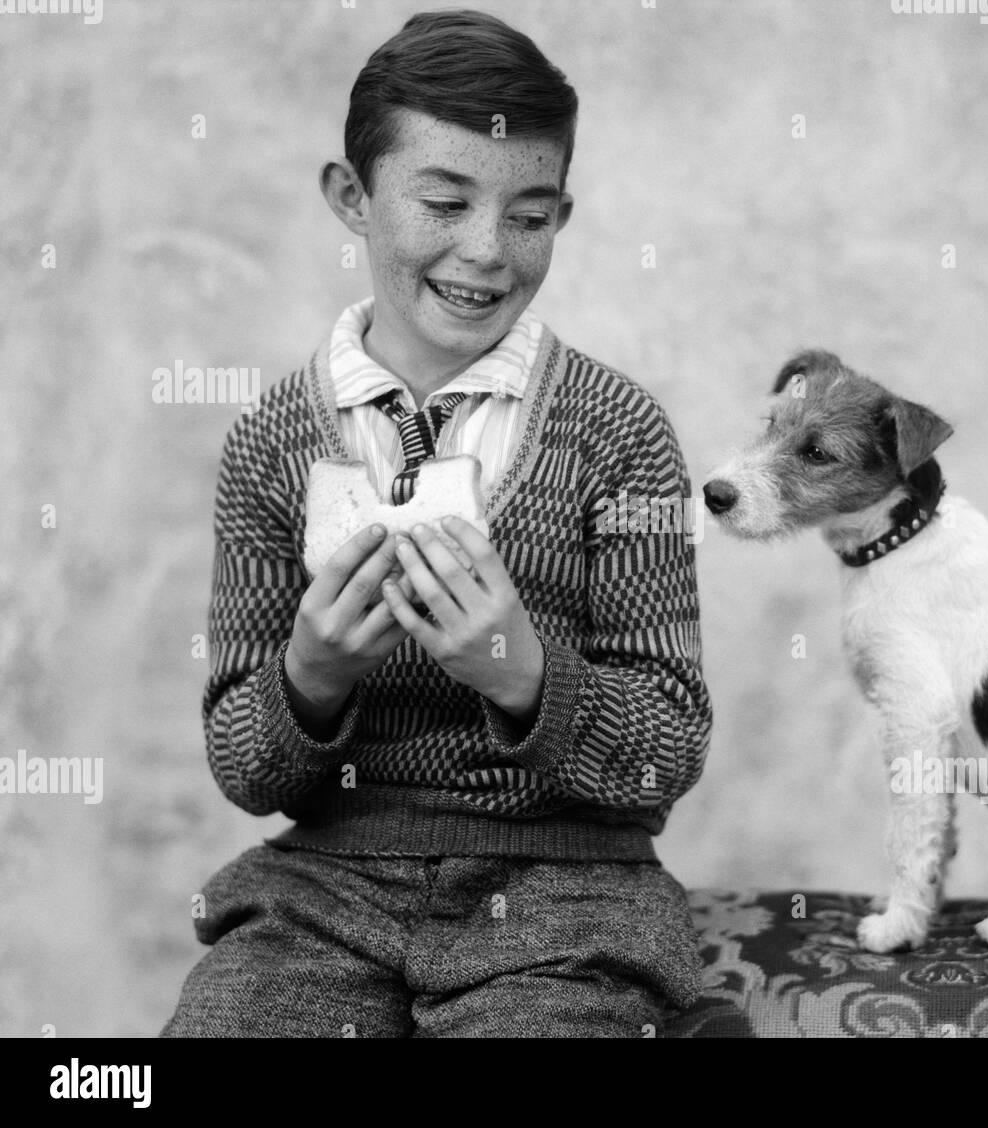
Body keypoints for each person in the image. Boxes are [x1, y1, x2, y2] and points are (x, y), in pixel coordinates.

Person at [162, 8, 711, 1038]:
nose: (486, 252)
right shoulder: (270, 444)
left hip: (569, 896)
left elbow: (669, 745)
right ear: (351, 198)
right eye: (445, 201)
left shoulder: (621, 431)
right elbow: (244, 769)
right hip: (323, 897)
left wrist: (524, 673)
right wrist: (310, 678)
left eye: (529, 215)